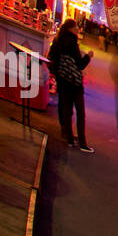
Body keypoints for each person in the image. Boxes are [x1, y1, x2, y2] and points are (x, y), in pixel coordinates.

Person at [46, 19, 95, 152]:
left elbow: (51, 59)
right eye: (75, 28)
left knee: (65, 109)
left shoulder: (57, 41)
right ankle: (82, 143)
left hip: (62, 80)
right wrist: (88, 56)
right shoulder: (72, 42)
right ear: (70, 29)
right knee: (80, 111)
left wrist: (58, 74)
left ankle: (68, 138)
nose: (77, 30)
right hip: (74, 82)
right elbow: (80, 64)